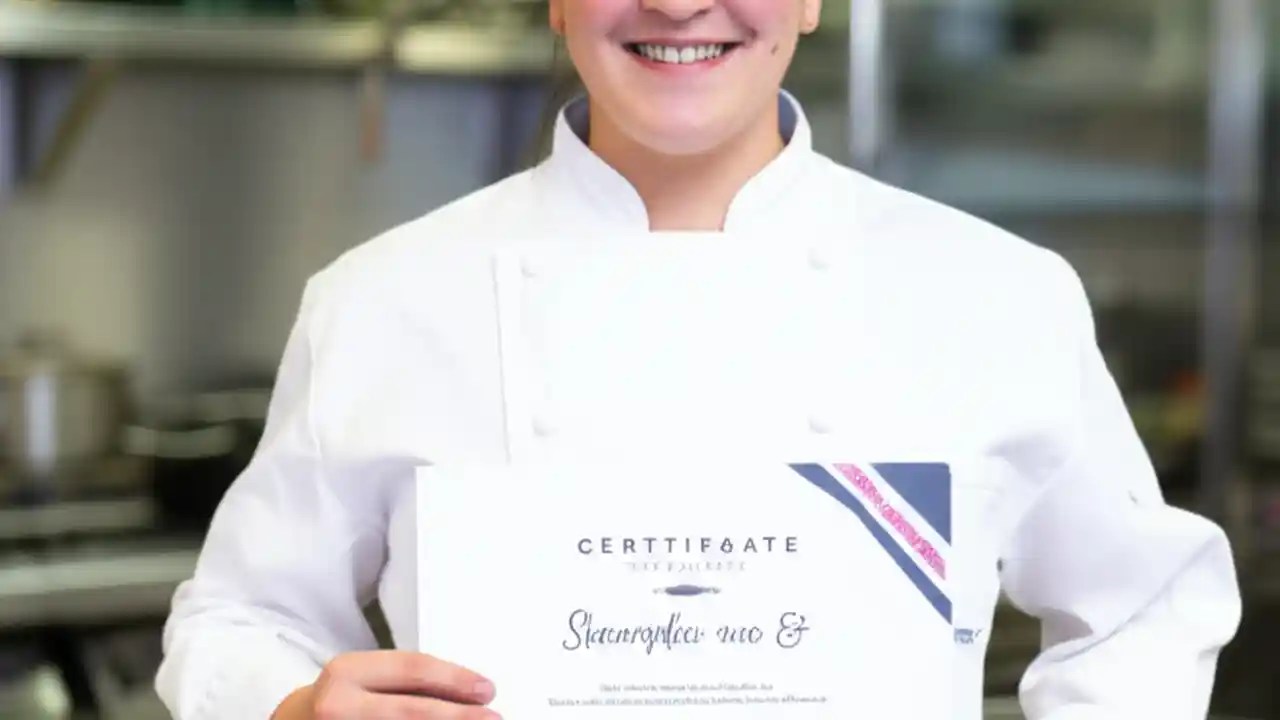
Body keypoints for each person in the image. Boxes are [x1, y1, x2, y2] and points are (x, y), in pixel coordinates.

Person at [155, 1, 1243, 719]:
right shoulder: (381, 299)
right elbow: (239, 620)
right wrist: (293, 707)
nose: (677, 4)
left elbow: (1142, 610)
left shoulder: (995, 293)